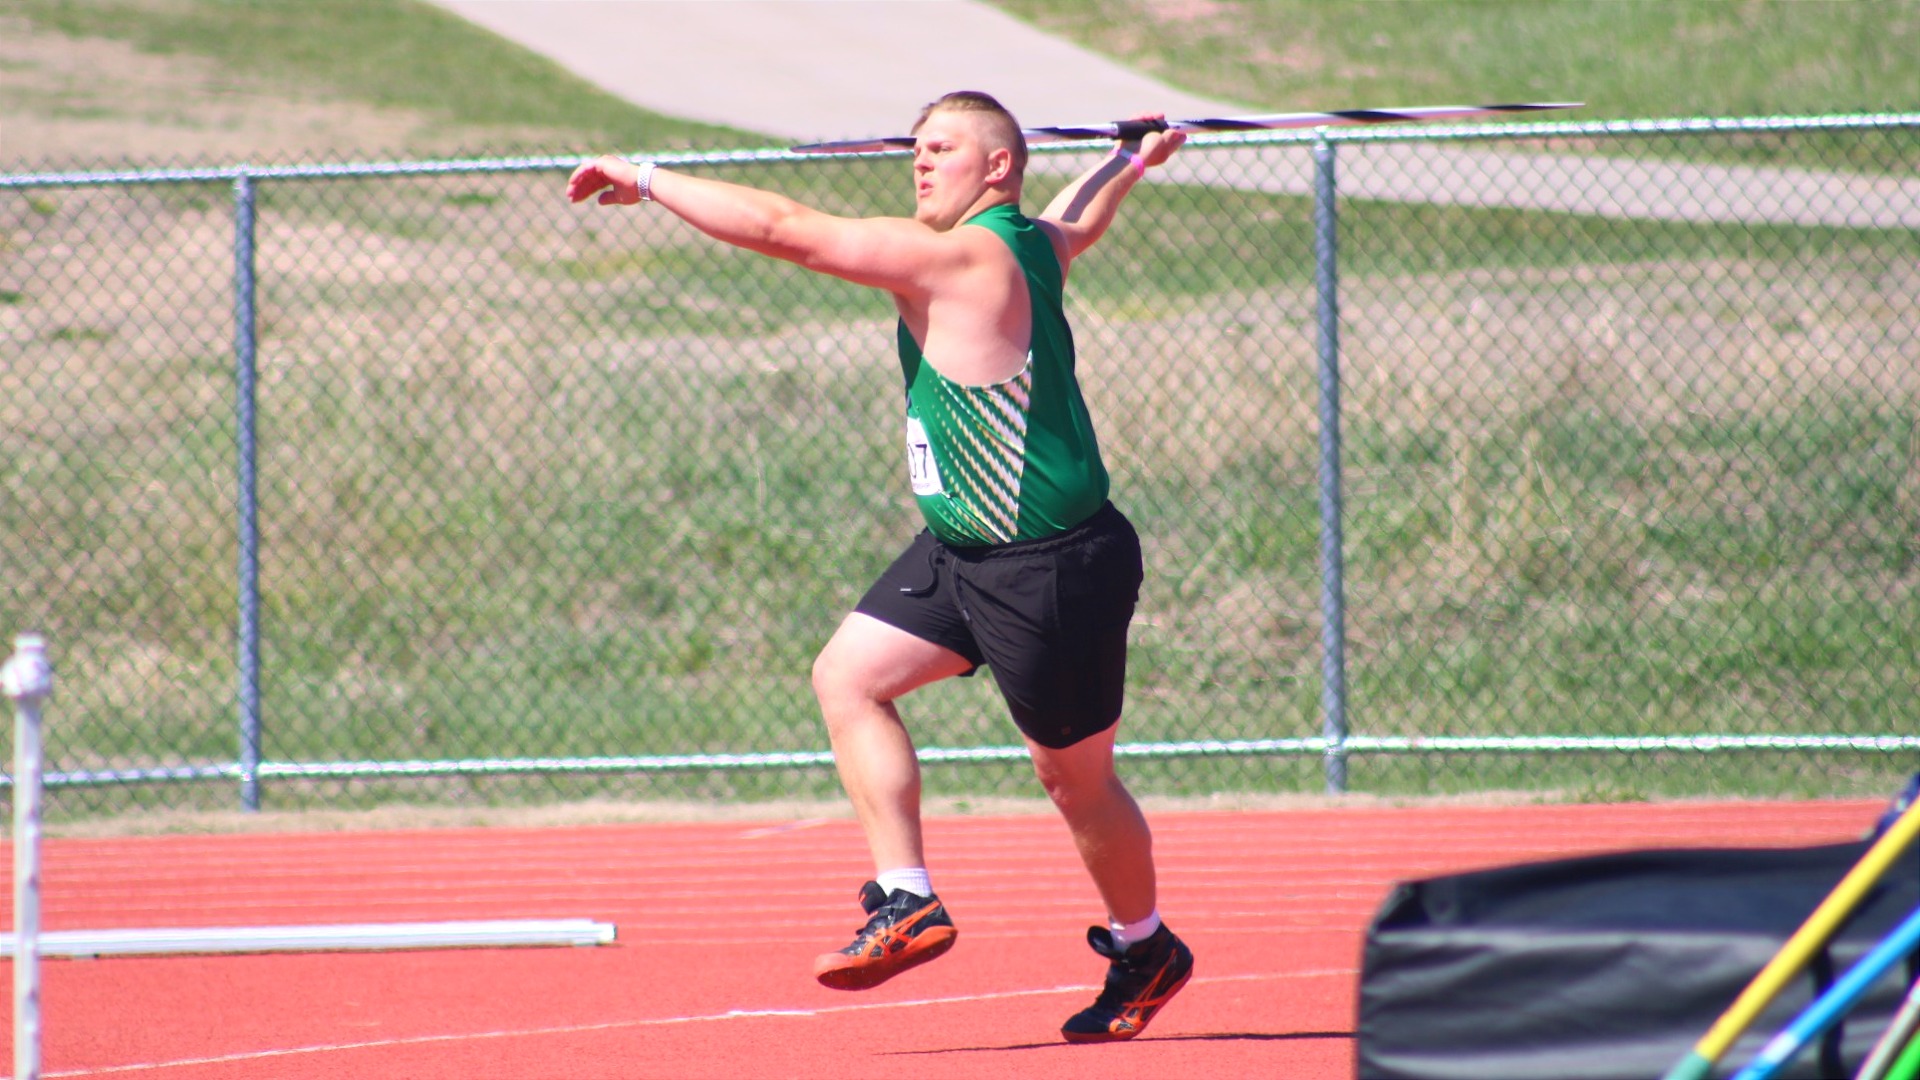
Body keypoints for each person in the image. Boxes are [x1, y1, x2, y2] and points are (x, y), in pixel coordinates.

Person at [566, 90, 1191, 1044]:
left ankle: (1146, 946)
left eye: (942, 148)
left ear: (997, 166)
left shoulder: (963, 258)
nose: (919, 162)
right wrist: (1130, 159)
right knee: (847, 677)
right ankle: (907, 899)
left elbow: (785, 230)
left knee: (1075, 783)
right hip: (962, 549)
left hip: (1051, 568)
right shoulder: (1030, 243)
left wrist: (647, 177)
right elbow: (1075, 223)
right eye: (917, 148)